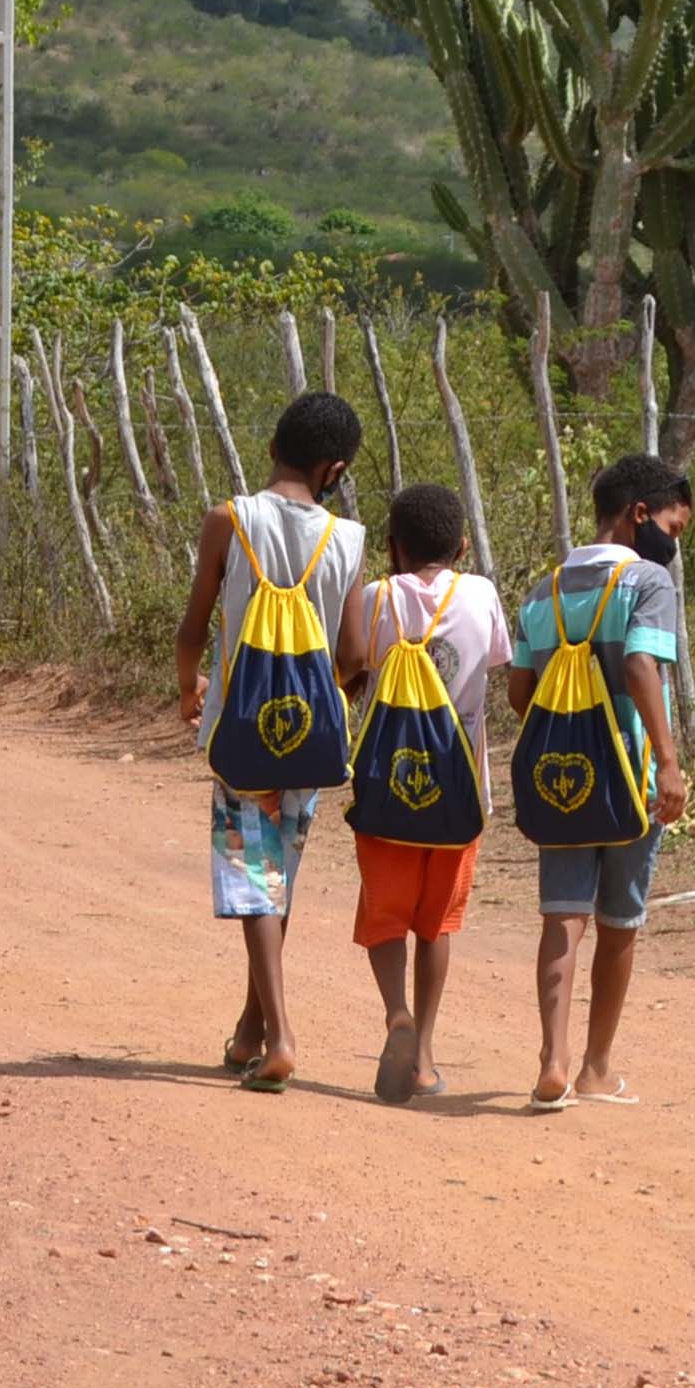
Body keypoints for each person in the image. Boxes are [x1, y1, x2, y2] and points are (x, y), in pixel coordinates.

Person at [175, 392, 367, 1093]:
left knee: (253, 874)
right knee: (275, 874)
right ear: (335, 468)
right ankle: (251, 1029)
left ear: (272, 448)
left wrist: (188, 686)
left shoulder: (230, 519)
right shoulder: (348, 538)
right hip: (311, 735)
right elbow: (352, 653)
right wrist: (332, 702)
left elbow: (195, 622)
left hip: (241, 731)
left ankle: (279, 1035)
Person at [506, 453, 693, 1111]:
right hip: (632, 778)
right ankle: (595, 1069)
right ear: (639, 514)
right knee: (619, 921)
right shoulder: (647, 582)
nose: (674, 544)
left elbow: (520, 691)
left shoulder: (544, 590)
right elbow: (642, 665)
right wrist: (668, 763)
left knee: (563, 916)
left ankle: (550, 1060)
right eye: (674, 527)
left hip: (565, 780)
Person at [336, 484, 511, 1103]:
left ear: (393, 547)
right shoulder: (482, 595)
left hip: (387, 788)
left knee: (386, 913)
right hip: (459, 793)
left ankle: (396, 1017)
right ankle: (427, 1056)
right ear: (462, 545)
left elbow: (348, 671)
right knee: (437, 926)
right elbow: (493, 666)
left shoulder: (374, 599)